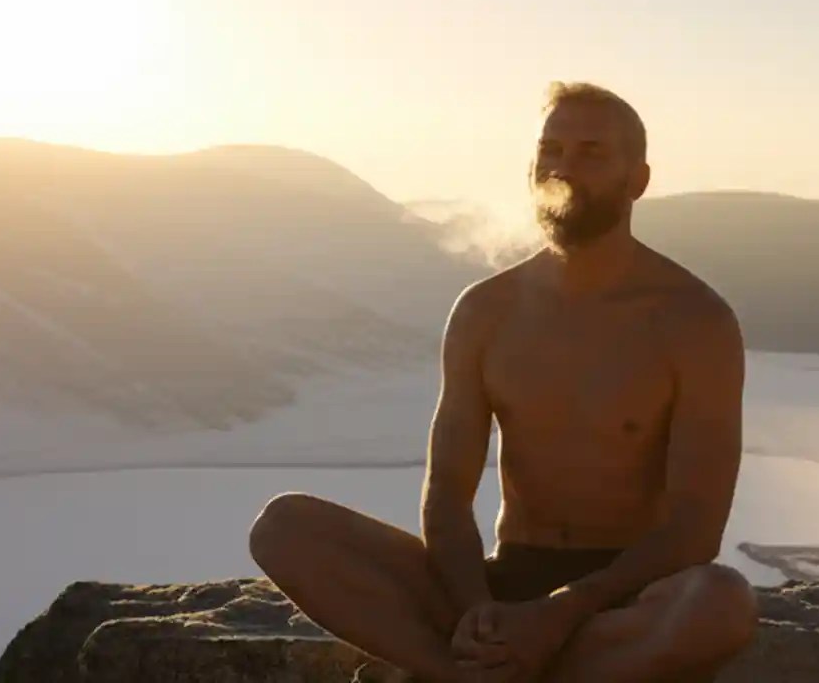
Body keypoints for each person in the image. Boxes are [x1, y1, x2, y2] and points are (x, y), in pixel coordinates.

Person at [248, 81, 758, 682]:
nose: (564, 167)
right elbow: (446, 498)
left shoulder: (694, 321)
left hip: (623, 595)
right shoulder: (486, 311)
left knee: (720, 603)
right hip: (502, 581)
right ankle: (485, 666)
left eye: (591, 153)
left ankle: (470, 671)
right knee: (284, 528)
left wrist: (563, 612)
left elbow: (695, 528)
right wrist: (479, 612)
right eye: (551, 150)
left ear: (637, 180)